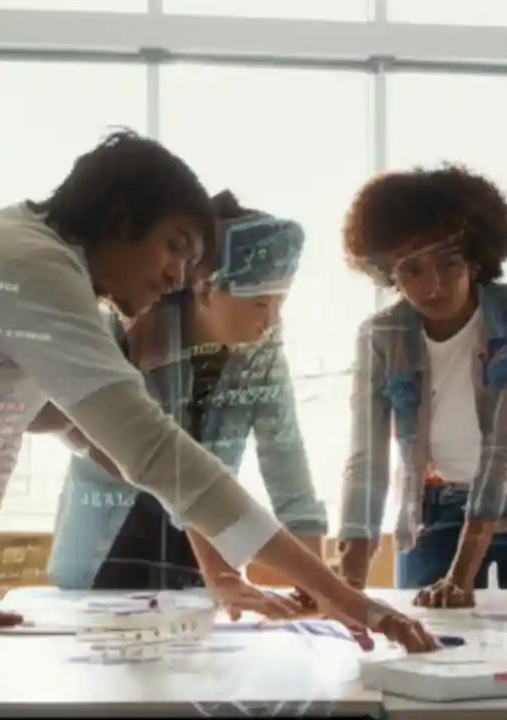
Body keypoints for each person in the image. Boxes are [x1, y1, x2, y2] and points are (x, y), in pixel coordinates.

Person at [0, 130, 434, 720]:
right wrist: (349, 600)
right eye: (177, 246)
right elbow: (152, 449)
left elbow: (25, 431)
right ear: (121, 216)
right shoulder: (33, 270)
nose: (181, 275)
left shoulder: (24, 262)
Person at [46, 189, 327, 620]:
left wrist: (317, 582)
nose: (271, 320)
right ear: (205, 289)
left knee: (202, 665)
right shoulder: (131, 334)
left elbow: (285, 459)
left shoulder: (262, 354)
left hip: (207, 535)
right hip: (112, 538)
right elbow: (169, 466)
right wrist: (223, 575)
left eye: (280, 304)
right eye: (260, 304)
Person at [336, 164, 507, 608]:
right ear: (390, 275)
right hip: (435, 507)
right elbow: (367, 456)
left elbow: (505, 440)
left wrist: (461, 576)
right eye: (411, 270)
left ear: (475, 257)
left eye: (449, 263)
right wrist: (349, 574)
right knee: (425, 642)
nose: (432, 285)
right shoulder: (380, 335)